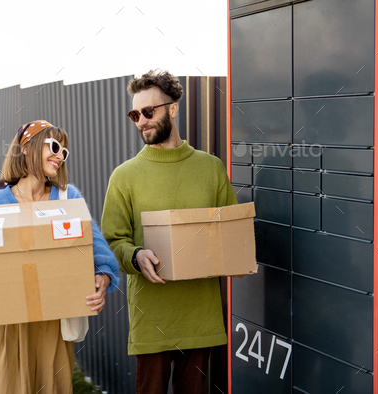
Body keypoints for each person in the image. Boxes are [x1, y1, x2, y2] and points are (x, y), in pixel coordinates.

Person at [0, 120, 120, 394]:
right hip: (3, 330)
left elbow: (99, 251)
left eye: (64, 151)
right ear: (27, 147)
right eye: (55, 147)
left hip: (52, 330)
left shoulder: (66, 199)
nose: (60, 155)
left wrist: (102, 277)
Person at [101, 70, 238, 394]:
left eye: (149, 111)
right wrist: (135, 255)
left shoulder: (210, 168)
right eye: (135, 114)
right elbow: (111, 240)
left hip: (200, 318)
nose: (141, 121)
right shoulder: (125, 176)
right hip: (153, 319)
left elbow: (232, 231)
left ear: (172, 109)